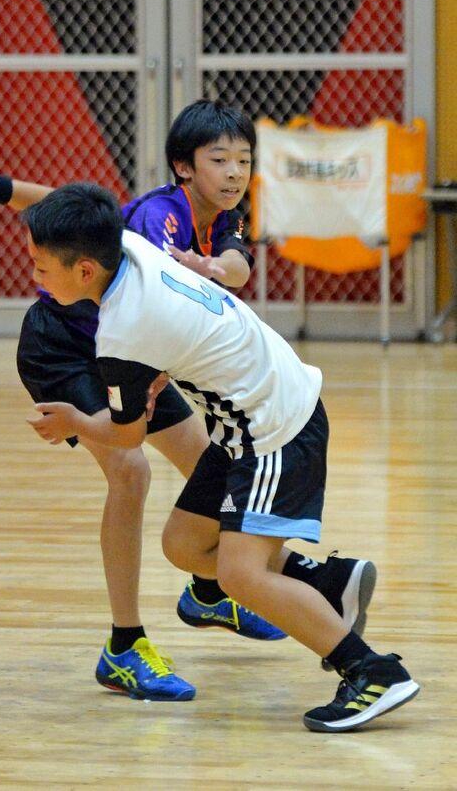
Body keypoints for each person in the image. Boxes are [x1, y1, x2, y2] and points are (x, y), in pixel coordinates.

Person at [0, 100, 374, 701]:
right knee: (130, 469)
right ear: (185, 166)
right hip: (70, 348)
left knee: (205, 463)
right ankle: (124, 646)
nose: (234, 171)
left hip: (142, 356)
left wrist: (215, 268)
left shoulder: (225, 217)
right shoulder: (159, 217)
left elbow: (232, 267)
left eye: (244, 159)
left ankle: (212, 589)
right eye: (220, 159)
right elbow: (75, 219)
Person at [22, 180, 419, 731]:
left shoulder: (121, 334)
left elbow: (126, 436)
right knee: (185, 544)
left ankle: (371, 672)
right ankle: (327, 584)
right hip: (247, 420)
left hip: (275, 429)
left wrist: (72, 422)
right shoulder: (129, 244)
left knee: (238, 575)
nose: (36, 278)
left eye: (41, 268)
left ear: (84, 270)